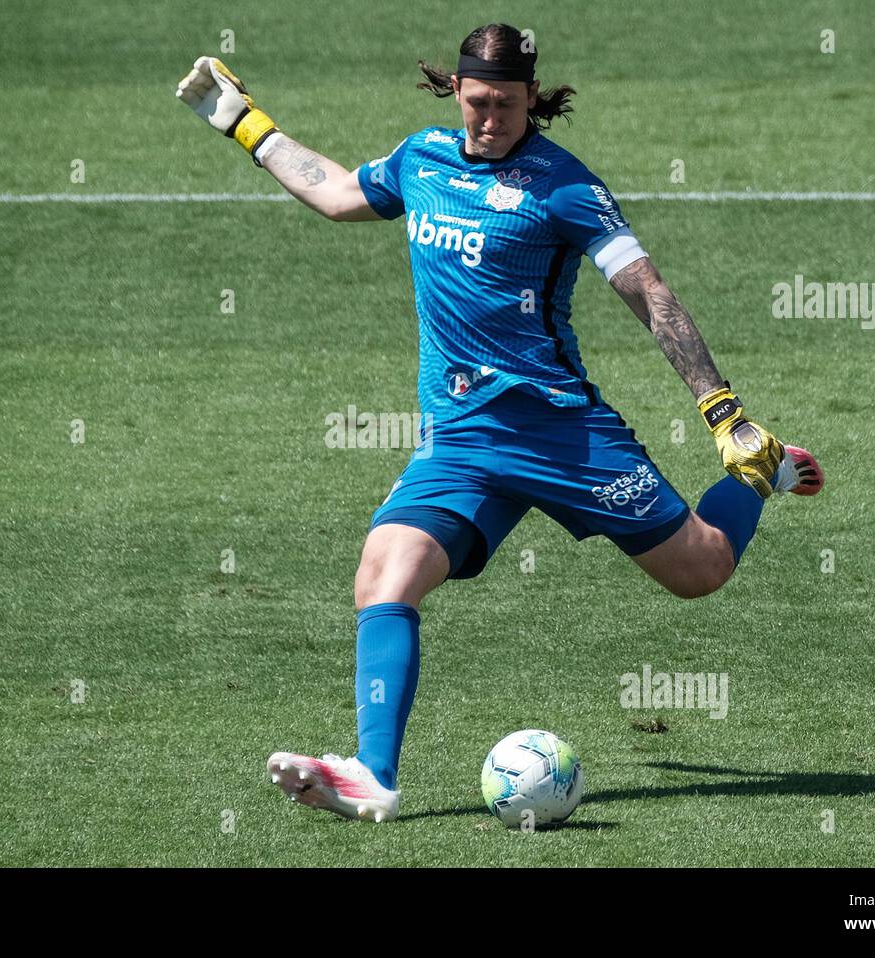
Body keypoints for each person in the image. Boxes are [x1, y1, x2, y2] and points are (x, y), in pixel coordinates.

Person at [176, 23, 824, 823]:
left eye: (508, 106)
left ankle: (766, 471)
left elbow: (646, 291)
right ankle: (373, 775)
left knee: (703, 571)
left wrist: (721, 409)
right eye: (479, 103)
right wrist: (249, 126)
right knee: (384, 574)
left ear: (532, 100)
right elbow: (340, 194)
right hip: (463, 439)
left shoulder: (565, 187)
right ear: (456, 90)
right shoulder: (422, 160)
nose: (491, 120)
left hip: (560, 433)